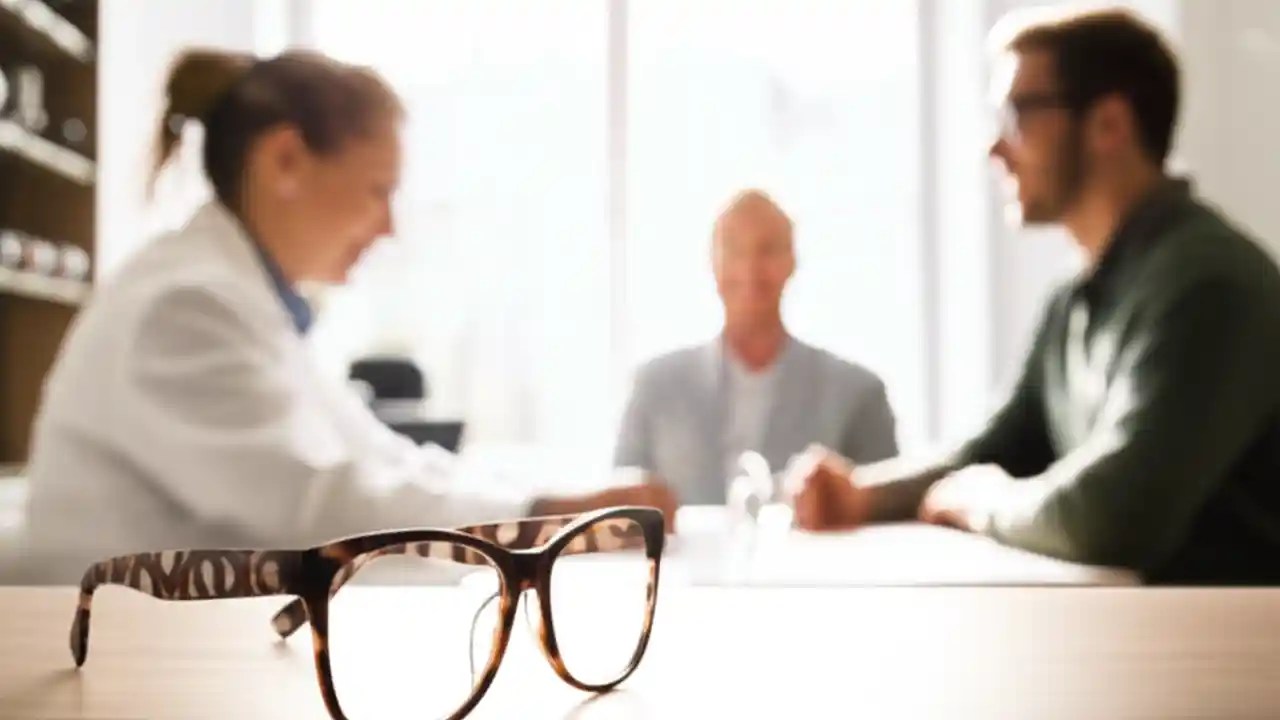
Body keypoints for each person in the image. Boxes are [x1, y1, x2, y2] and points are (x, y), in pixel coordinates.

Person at [21, 49, 675, 578]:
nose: (389, 227)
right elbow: (318, 505)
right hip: (101, 667)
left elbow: (383, 458)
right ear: (285, 161)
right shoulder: (183, 307)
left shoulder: (247, 304)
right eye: (378, 191)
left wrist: (558, 501)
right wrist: (544, 517)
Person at [789, 8, 1280, 584]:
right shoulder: (1076, 299)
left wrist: (982, 505)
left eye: (1018, 113)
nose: (995, 148)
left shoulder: (1209, 286)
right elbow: (998, 450)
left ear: (1109, 125)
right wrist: (861, 498)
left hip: (1236, 662)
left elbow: (1113, 515)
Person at [614, 189, 898, 505]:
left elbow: (888, 513)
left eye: (767, 250)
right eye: (734, 249)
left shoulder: (858, 392)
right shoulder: (655, 385)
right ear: (712, 263)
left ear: (792, 261)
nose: (750, 268)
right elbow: (618, 513)